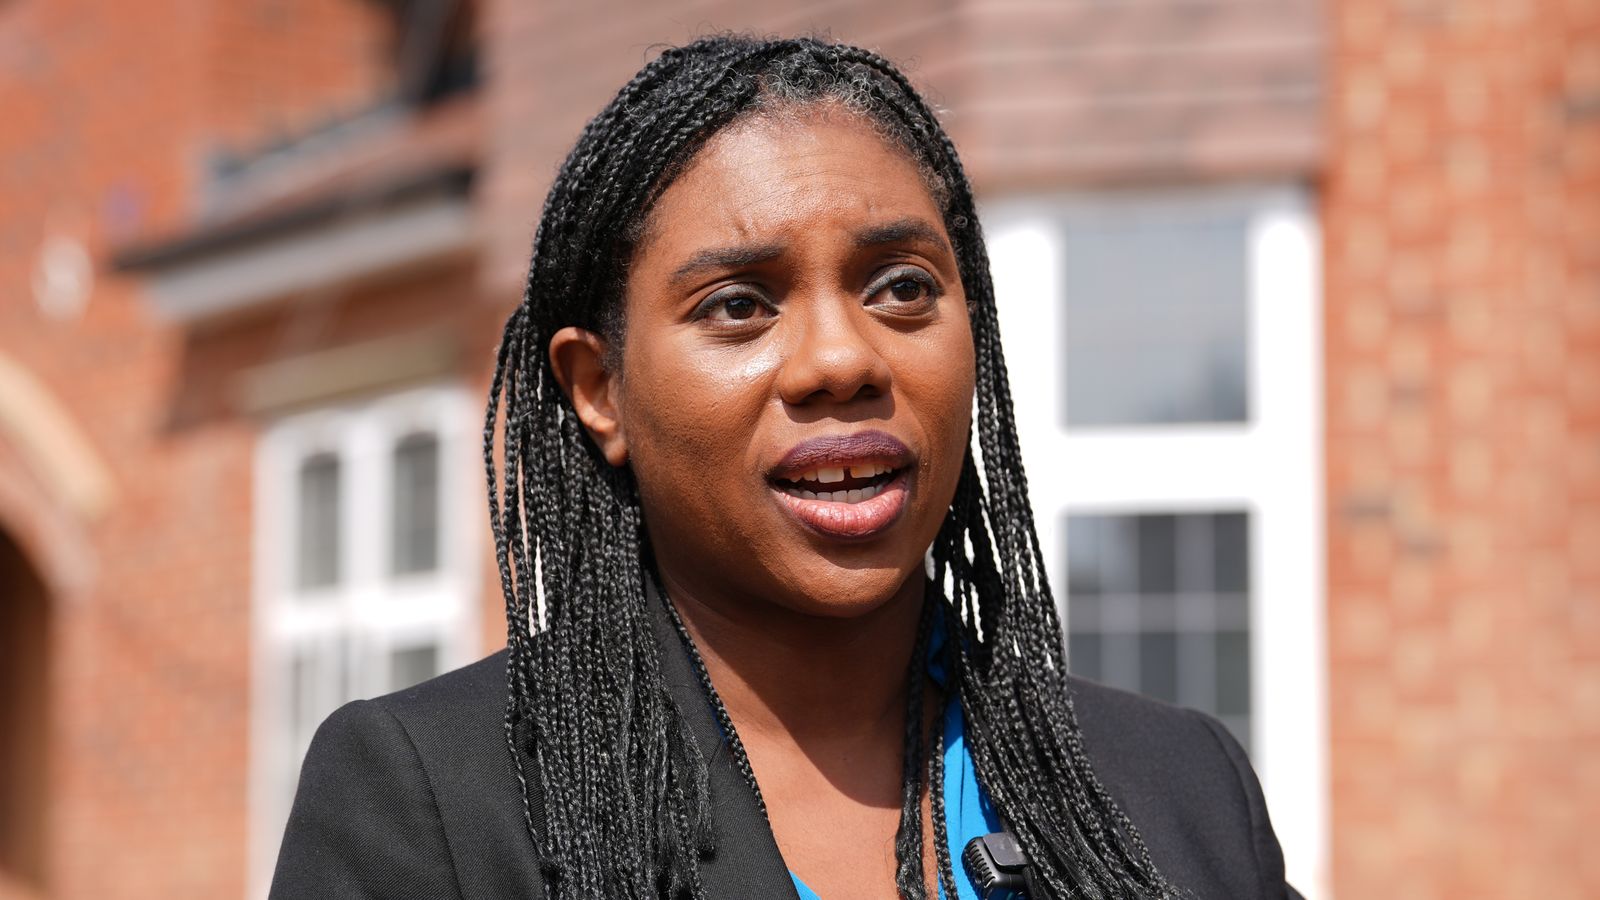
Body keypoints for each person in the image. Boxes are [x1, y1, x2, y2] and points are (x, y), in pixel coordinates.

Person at [269, 35, 1301, 900]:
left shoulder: (1178, 789)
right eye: (739, 305)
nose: (842, 360)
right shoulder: (434, 803)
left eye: (901, 288)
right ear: (599, 389)